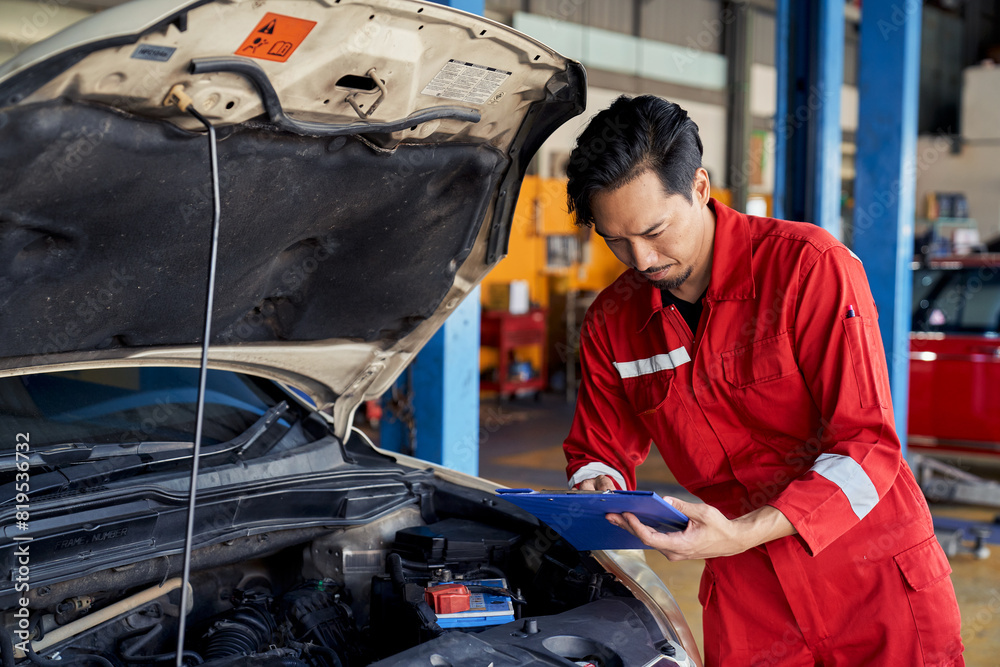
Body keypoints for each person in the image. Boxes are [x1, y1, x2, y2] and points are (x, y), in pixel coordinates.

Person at [562, 95, 964, 666]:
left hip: (872, 572)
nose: (643, 258)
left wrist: (746, 531)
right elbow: (596, 449)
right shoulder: (612, 320)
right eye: (616, 240)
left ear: (699, 187)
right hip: (748, 595)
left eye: (655, 231)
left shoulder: (809, 268)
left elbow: (867, 446)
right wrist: (596, 487)